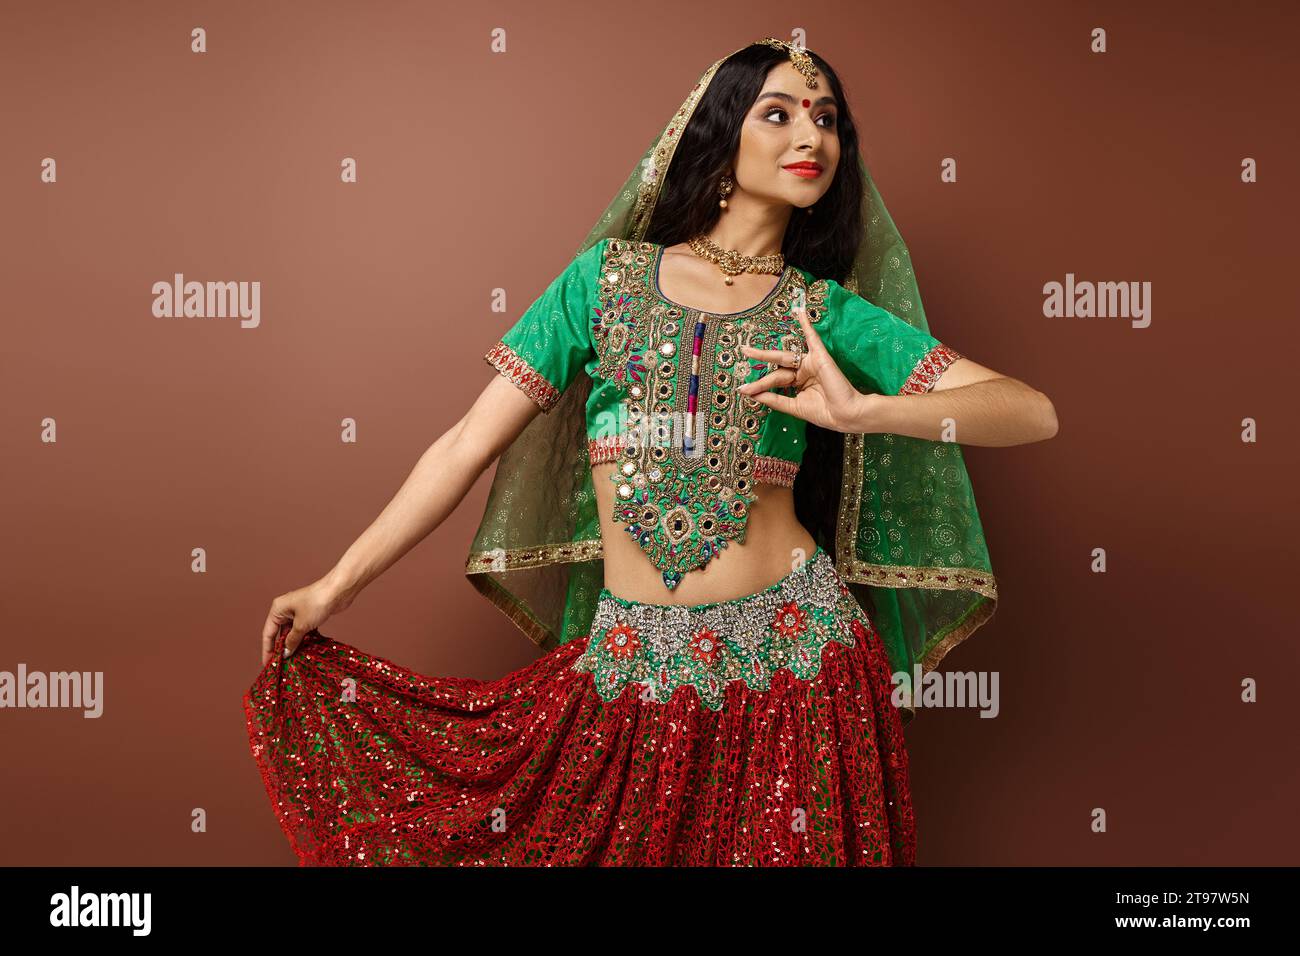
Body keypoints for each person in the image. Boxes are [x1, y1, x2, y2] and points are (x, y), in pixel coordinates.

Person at [242, 37, 1058, 867]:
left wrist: (867, 409)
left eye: (827, 120)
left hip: (803, 671)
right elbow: (462, 446)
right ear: (717, 140)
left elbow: (1030, 411)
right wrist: (334, 586)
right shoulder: (604, 283)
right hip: (631, 676)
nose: (810, 136)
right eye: (778, 114)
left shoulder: (823, 312)